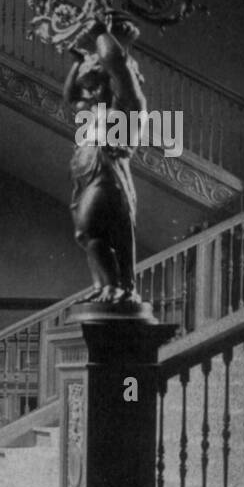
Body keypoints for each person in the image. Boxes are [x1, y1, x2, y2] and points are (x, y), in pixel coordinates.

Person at [63, 17, 143, 304]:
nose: (92, 92)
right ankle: (105, 286)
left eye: (98, 84)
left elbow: (118, 65)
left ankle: (118, 286)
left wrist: (102, 34)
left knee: (91, 227)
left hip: (106, 172)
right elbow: (72, 96)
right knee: (85, 236)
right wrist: (76, 62)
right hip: (83, 173)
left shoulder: (125, 105)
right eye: (91, 86)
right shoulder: (94, 111)